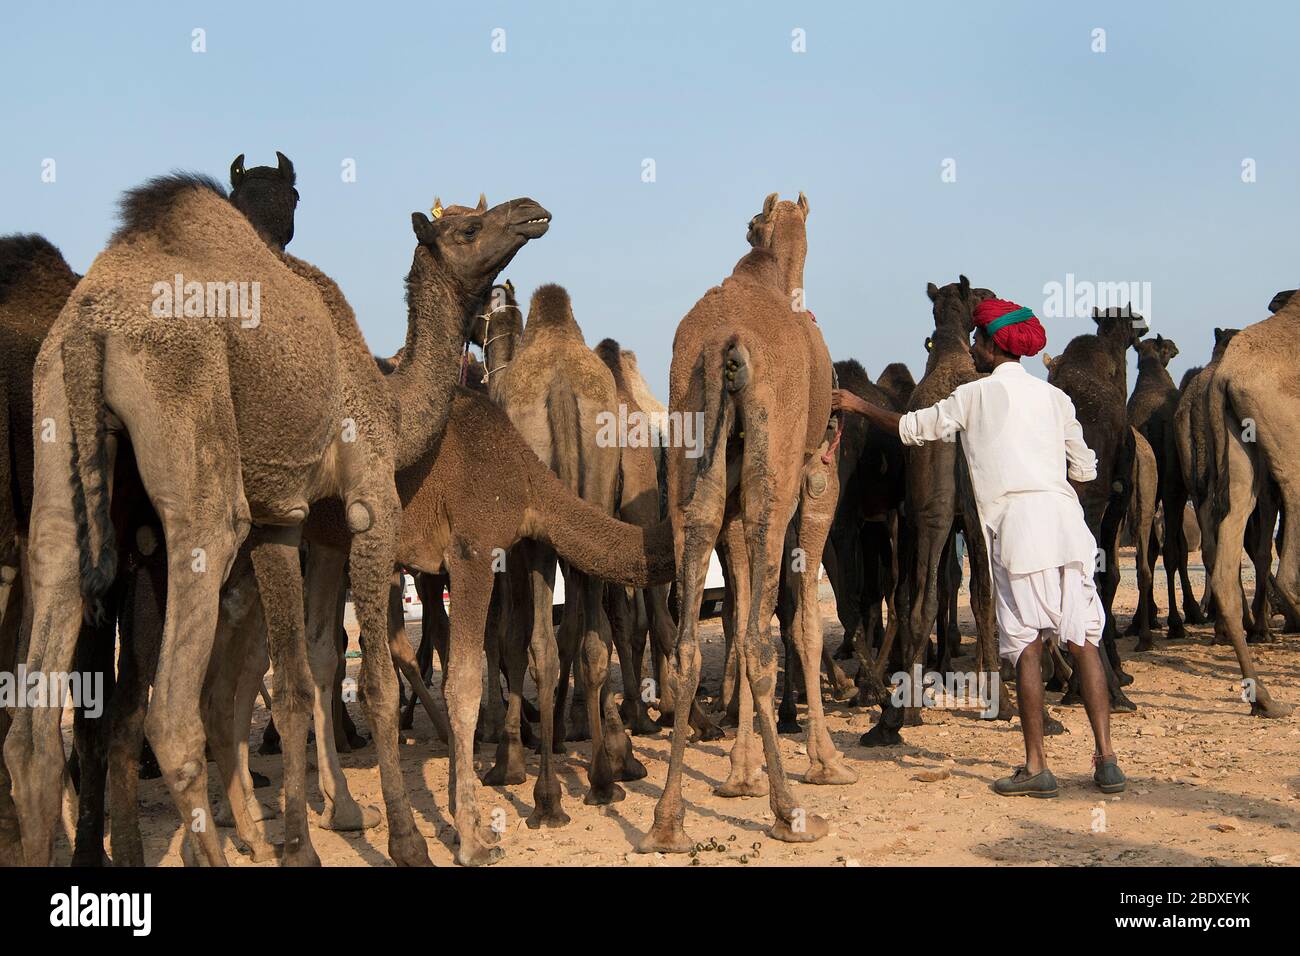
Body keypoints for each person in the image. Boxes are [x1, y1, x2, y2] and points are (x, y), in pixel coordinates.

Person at [832, 298, 1124, 796]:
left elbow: (911, 428)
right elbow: (1087, 468)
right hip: (1068, 526)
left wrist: (857, 405)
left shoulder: (975, 396)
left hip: (1018, 531)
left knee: (1028, 648)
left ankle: (1037, 767)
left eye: (978, 339)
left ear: (993, 346)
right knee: (1085, 643)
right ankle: (1107, 761)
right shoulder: (1056, 400)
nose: (971, 346)